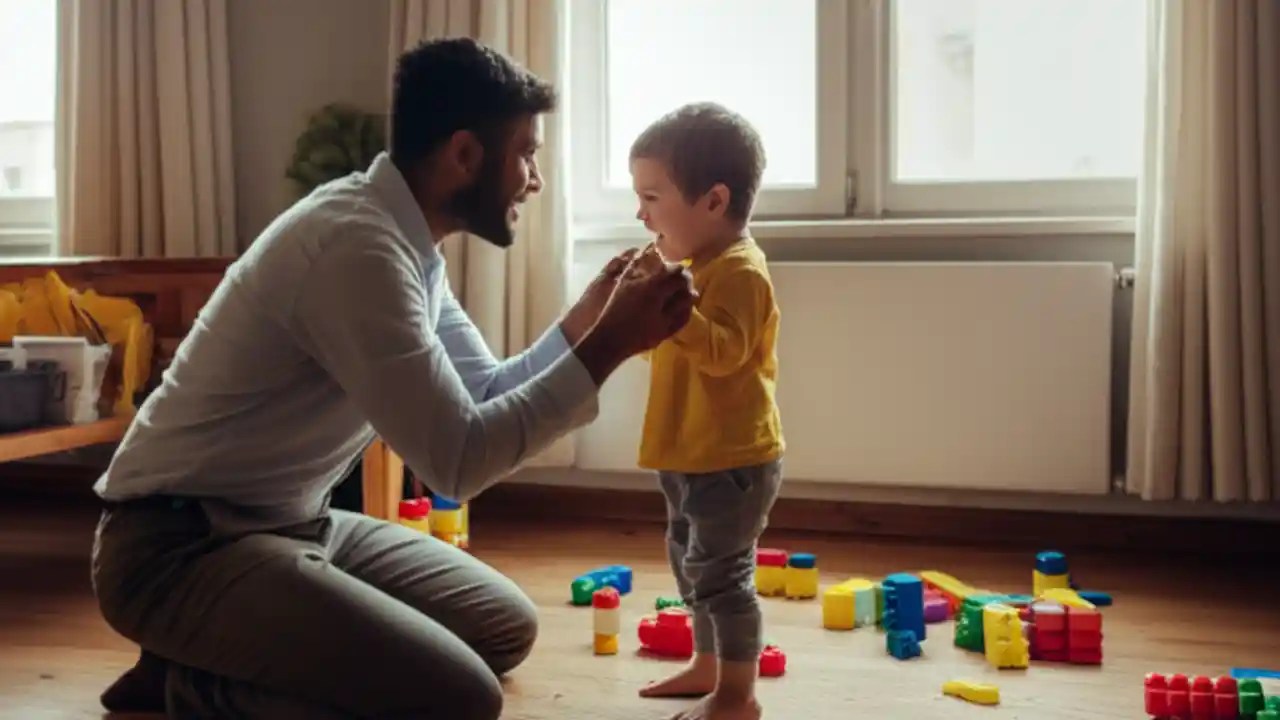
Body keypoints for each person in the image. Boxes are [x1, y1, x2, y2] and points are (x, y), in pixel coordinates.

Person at [90, 38, 694, 720]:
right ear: (465, 155)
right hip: (177, 550)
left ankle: (228, 644)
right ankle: (186, 683)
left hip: (291, 527)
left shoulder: (404, 242)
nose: (534, 178)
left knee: (503, 627)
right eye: (525, 152)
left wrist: (586, 323)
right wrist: (612, 344)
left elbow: (484, 395)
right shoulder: (357, 247)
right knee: (457, 698)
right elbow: (457, 459)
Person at [628, 103, 785, 720]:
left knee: (722, 577)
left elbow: (724, 353)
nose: (640, 213)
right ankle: (706, 665)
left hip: (732, 460)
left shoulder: (741, 273)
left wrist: (674, 310)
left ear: (714, 202)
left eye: (652, 196)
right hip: (688, 452)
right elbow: (672, 355)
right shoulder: (694, 266)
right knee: (689, 563)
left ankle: (737, 697)